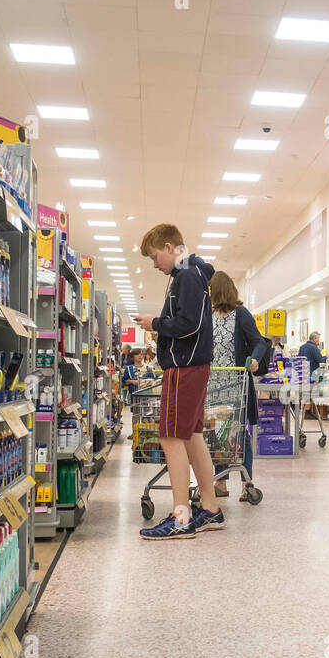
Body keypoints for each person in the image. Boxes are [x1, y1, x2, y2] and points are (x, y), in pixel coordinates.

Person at [132, 224, 223, 539]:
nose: (155, 264)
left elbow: (189, 323)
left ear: (170, 247)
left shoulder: (186, 275)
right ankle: (210, 507)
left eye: (156, 256)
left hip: (184, 367)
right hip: (194, 366)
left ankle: (181, 516)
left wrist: (155, 323)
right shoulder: (192, 274)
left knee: (171, 438)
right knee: (190, 436)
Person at [207, 271, 267, 497]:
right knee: (217, 435)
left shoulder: (241, 314)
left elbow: (259, 342)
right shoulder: (208, 315)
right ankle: (220, 483)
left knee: (240, 434)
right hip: (212, 385)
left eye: (210, 290)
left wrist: (254, 359)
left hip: (237, 385)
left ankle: (246, 483)